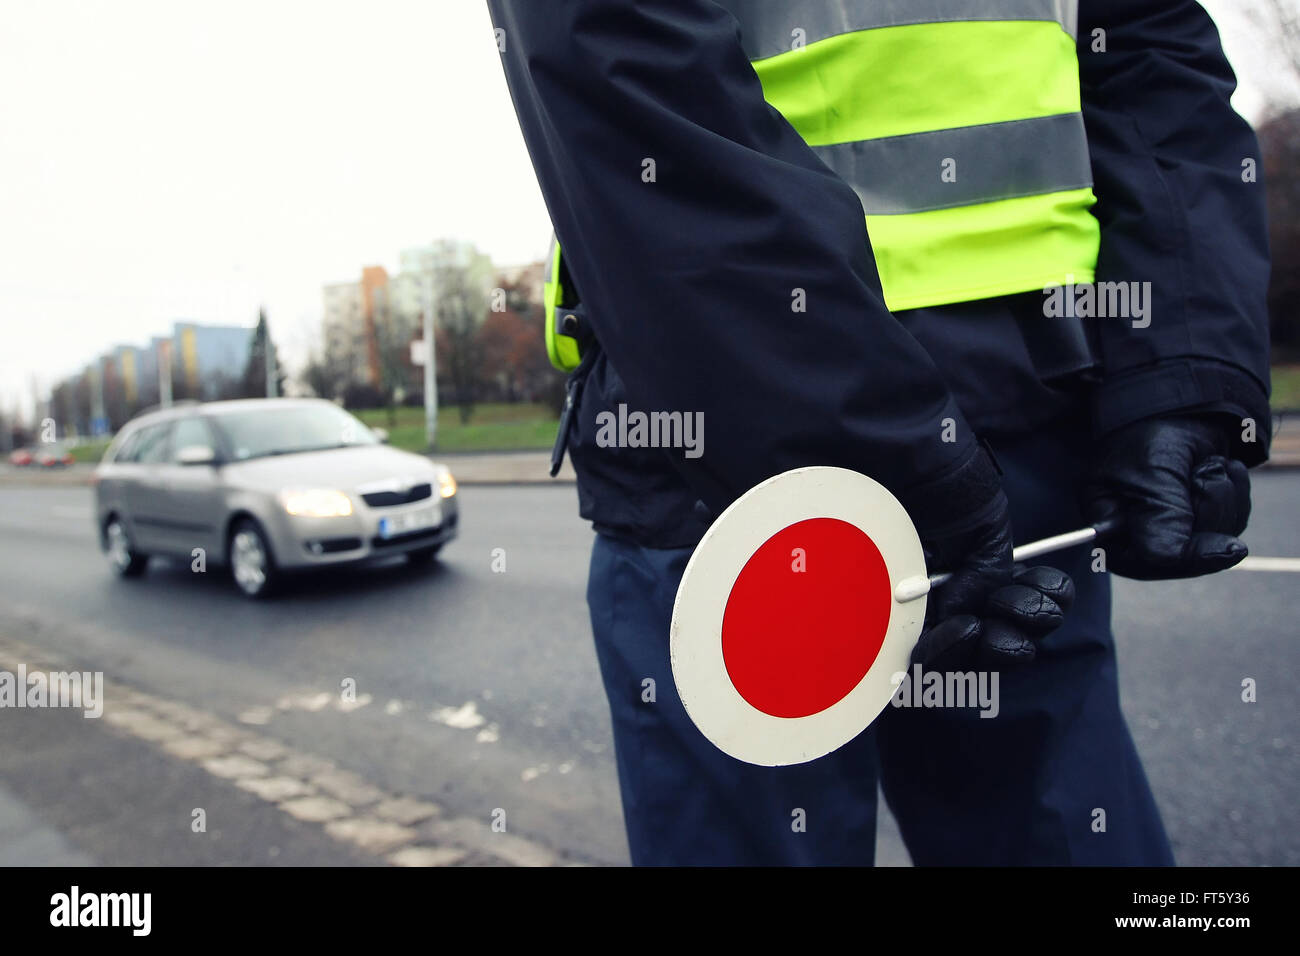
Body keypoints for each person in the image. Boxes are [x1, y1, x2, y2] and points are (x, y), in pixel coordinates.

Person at [487, 0, 1272, 865]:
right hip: (795, 442)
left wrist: (1181, 377)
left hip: (759, 422)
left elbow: (610, 54)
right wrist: (1179, 357)